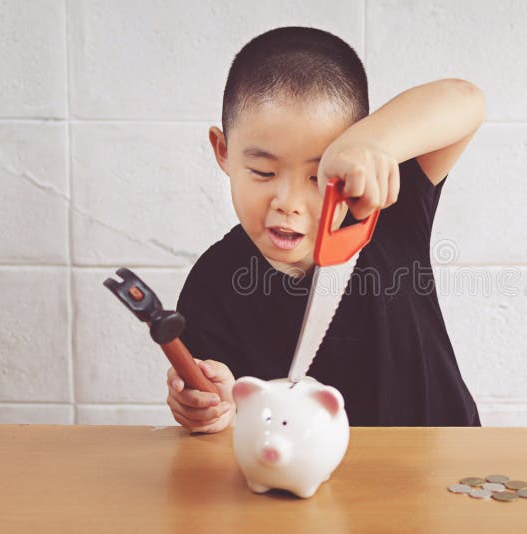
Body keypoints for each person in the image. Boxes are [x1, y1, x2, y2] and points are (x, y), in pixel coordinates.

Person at [165, 26, 486, 432]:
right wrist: (213, 408)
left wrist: (369, 145)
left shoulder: (388, 205)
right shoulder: (210, 287)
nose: (289, 203)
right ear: (223, 151)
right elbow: (224, 427)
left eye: (319, 177)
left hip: (447, 459)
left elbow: (466, 100)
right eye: (263, 172)